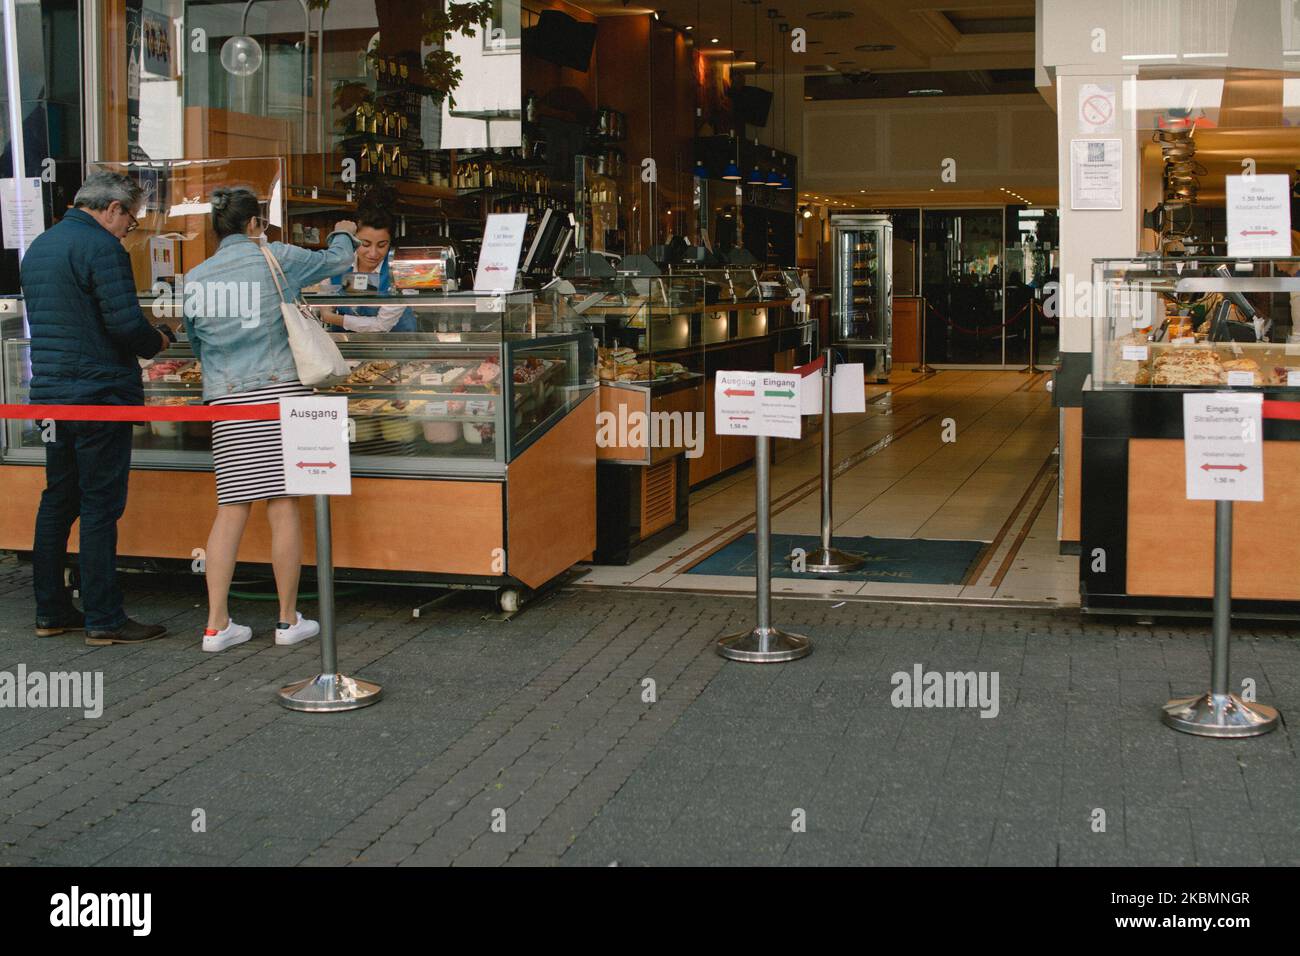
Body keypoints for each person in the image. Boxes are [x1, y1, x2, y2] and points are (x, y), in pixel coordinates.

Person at [181, 186, 358, 653]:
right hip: (280, 393)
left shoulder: (196, 277)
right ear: (255, 224)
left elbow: (196, 343)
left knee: (232, 506)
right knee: (283, 504)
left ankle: (217, 625)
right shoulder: (274, 257)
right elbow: (337, 263)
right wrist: (344, 234)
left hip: (227, 399)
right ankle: (286, 619)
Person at [23, 171, 171, 646]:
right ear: (111, 208)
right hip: (98, 393)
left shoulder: (40, 247)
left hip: (50, 394)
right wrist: (159, 340)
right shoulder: (104, 249)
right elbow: (124, 324)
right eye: (132, 215)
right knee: (100, 505)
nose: (132, 225)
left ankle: (51, 610)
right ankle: (104, 617)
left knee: (57, 500)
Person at [317, 188, 417, 333]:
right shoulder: (339, 262)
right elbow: (324, 299)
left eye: (382, 245)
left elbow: (381, 326)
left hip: (396, 348)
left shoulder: (401, 270)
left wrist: (332, 318)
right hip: (348, 348)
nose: (373, 253)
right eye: (365, 244)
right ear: (354, 239)